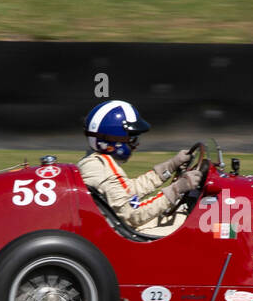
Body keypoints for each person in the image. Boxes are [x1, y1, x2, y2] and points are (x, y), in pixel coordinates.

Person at [77, 100, 202, 239]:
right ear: (114, 139)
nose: (136, 144)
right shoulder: (98, 168)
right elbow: (133, 215)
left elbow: (129, 191)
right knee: (194, 229)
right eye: (132, 138)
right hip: (120, 236)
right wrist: (176, 190)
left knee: (180, 214)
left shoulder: (96, 162)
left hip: (119, 228)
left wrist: (170, 166)